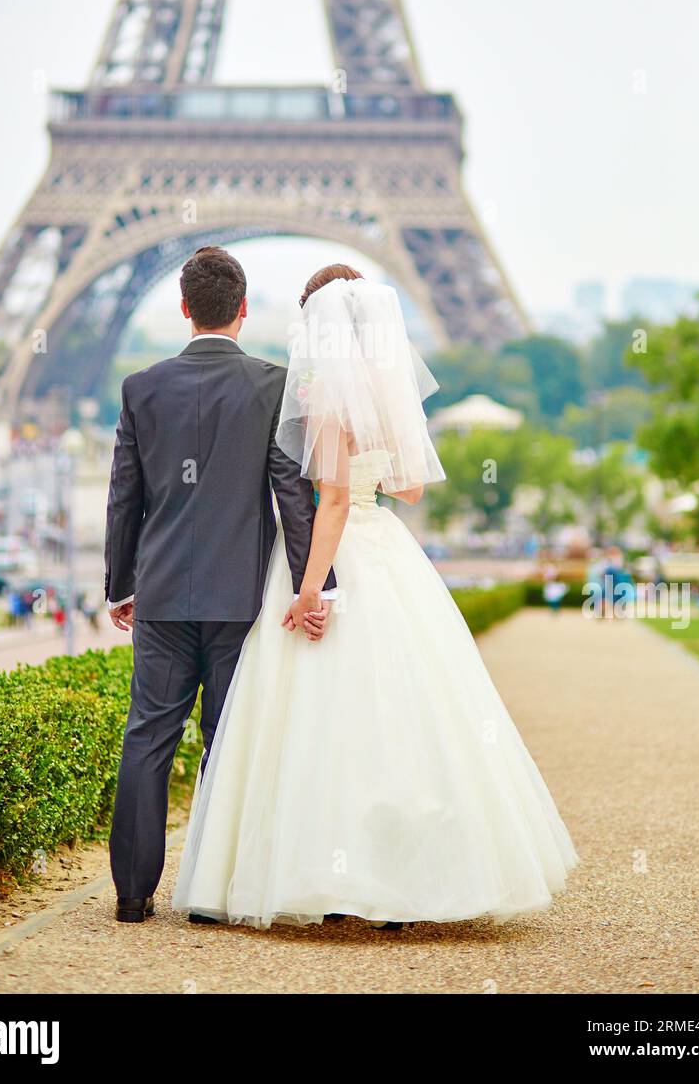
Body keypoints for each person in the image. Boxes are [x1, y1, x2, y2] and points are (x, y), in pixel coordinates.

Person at [173, 266, 578, 928]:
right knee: (401, 717)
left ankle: (327, 878)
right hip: (386, 546)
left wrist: (310, 590)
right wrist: (371, 470)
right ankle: (404, 883)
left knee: (316, 721)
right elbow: (412, 490)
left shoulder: (327, 396)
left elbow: (329, 502)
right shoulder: (391, 397)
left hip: (337, 554)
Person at [104, 247, 335, 924]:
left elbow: (124, 498)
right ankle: (211, 894)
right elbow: (292, 497)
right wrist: (315, 585)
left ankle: (132, 895)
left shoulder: (140, 388)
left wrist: (122, 585)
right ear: (241, 311)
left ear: (183, 309)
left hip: (164, 595)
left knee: (148, 737)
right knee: (228, 739)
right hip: (241, 596)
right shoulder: (271, 384)